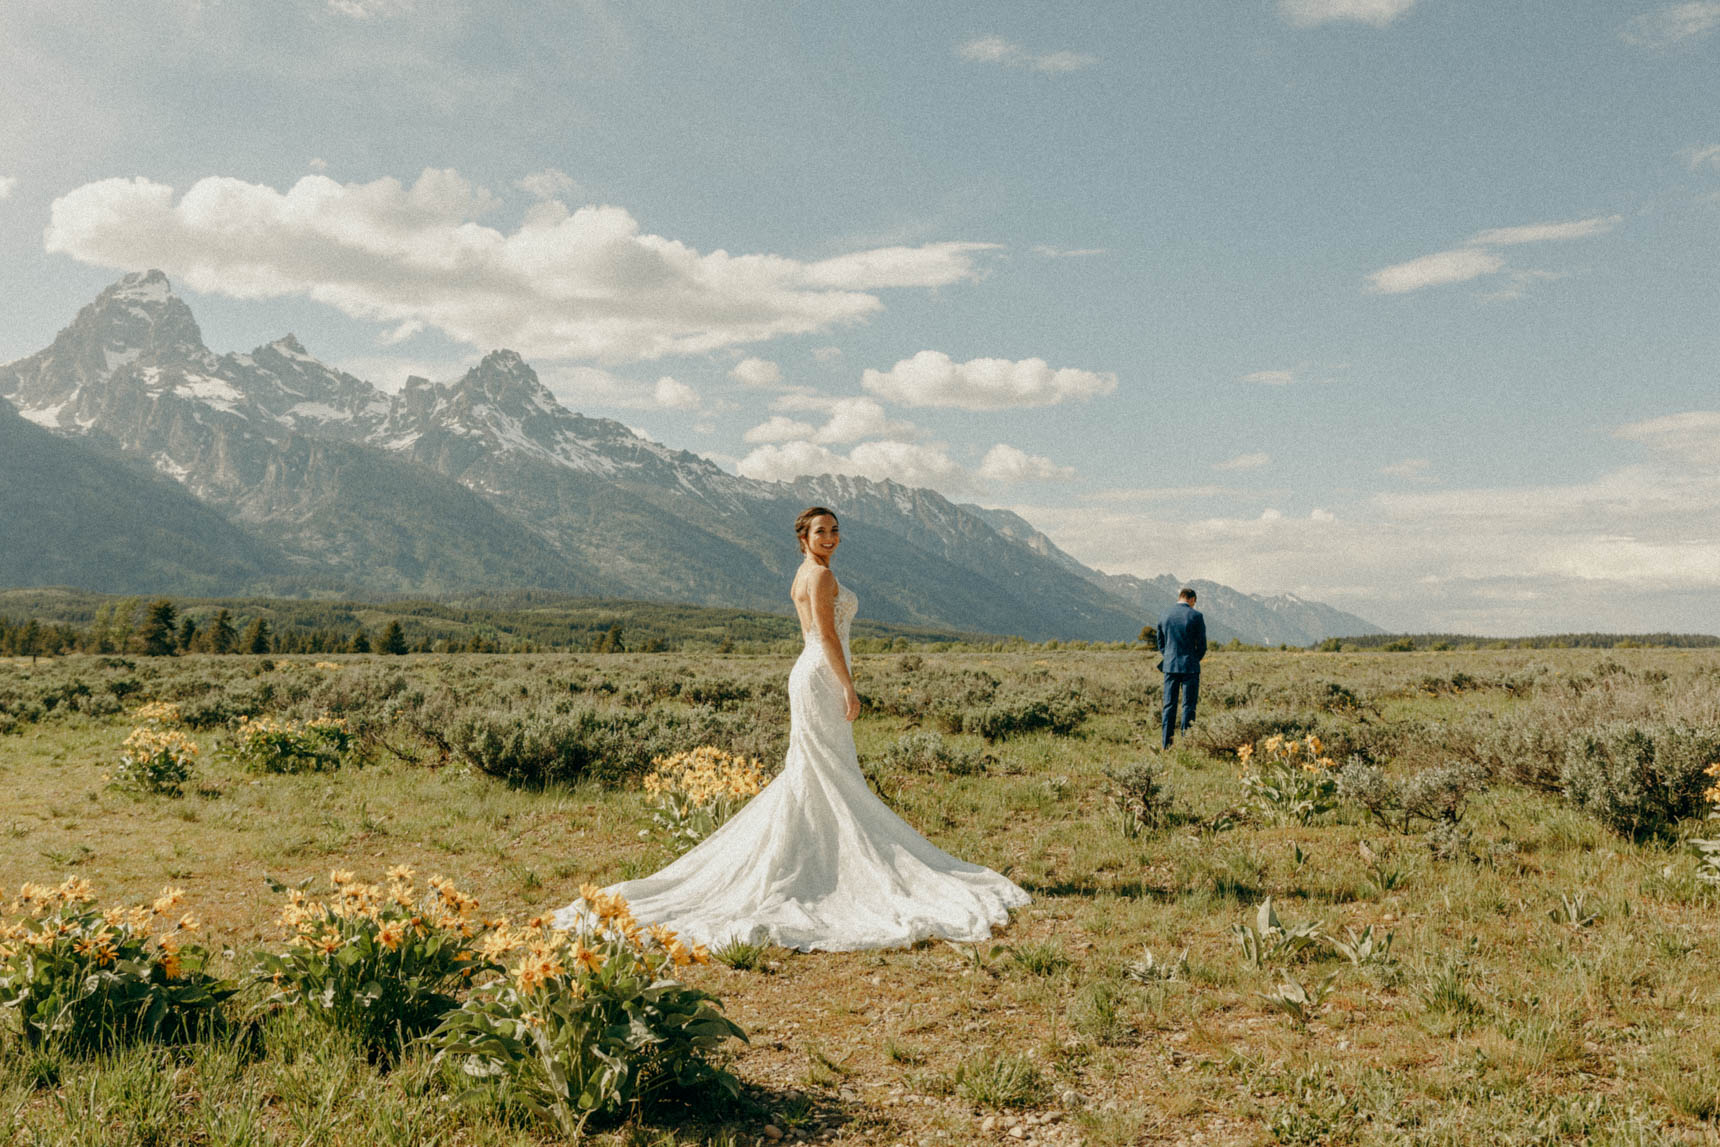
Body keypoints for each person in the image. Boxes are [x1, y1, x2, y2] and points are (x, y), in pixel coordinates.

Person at [553, 506, 1029, 952]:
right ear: (804, 537)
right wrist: (849, 687)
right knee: (826, 771)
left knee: (818, 770)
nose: (831, 537)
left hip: (809, 671)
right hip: (822, 674)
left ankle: (809, 859)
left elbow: (815, 635)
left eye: (835, 530)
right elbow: (827, 634)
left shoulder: (802, 574)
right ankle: (819, 867)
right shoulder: (820, 575)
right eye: (821, 531)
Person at [1156, 587, 1207, 750]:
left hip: (1170, 666)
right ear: (1191, 599)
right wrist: (1194, 658)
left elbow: (1160, 643)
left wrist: (1169, 657)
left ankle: (1166, 745)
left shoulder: (1164, 614)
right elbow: (1202, 645)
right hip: (1190, 667)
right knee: (1188, 707)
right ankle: (1187, 744)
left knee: (1168, 706)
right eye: (1194, 602)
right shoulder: (1196, 616)